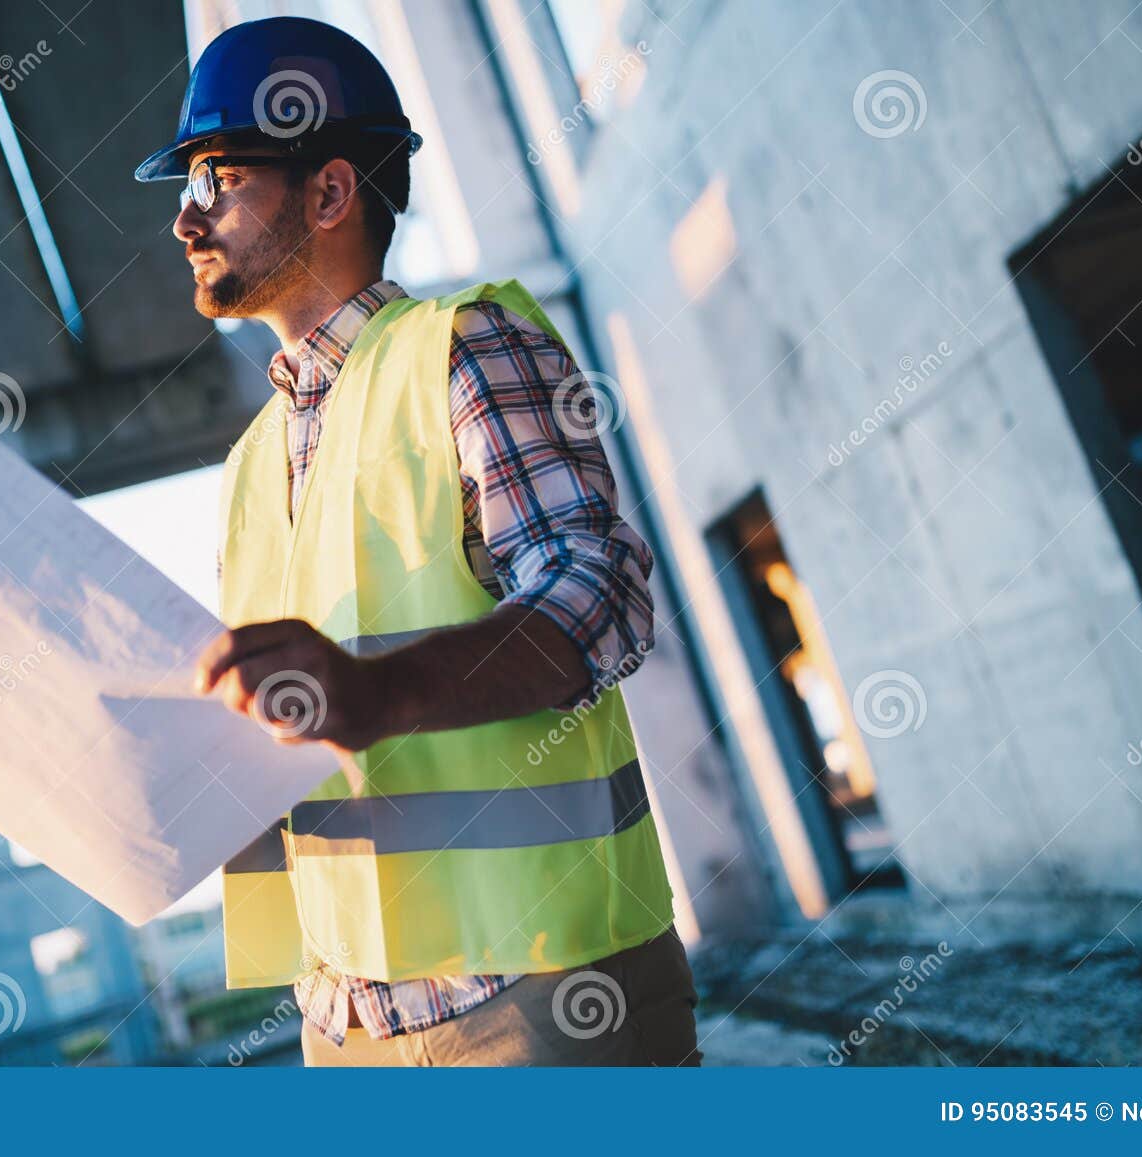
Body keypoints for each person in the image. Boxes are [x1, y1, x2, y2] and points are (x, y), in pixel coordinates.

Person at [135, 15, 700, 1067]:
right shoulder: (253, 460)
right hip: (344, 1027)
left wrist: (373, 690)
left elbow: (600, 591)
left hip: (538, 1000)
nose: (185, 217)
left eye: (217, 178)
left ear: (331, 191)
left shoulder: (465, 347)